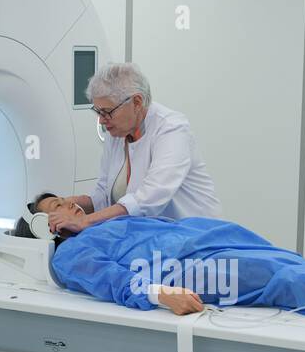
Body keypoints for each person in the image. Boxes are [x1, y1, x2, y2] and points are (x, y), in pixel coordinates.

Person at [15, 193, 305, 329]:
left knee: (288, 262)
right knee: (278, 276)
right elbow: (115, 282)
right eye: (57, 206)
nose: (72, 204)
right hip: (187, 270)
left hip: (209, 242)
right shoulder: (71, 254)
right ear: (44, 227)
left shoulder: (98, 224)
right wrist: (162, 294)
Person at [54, 62, 221, 235]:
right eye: (98, 112)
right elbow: (103, 195)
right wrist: (62, 203)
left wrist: (85, 221)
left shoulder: (172, 129)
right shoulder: (117, 134)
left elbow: (150, 197)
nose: (102, 120)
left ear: (137, 102)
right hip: (155, 239)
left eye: (107, 112)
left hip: (197, 238)